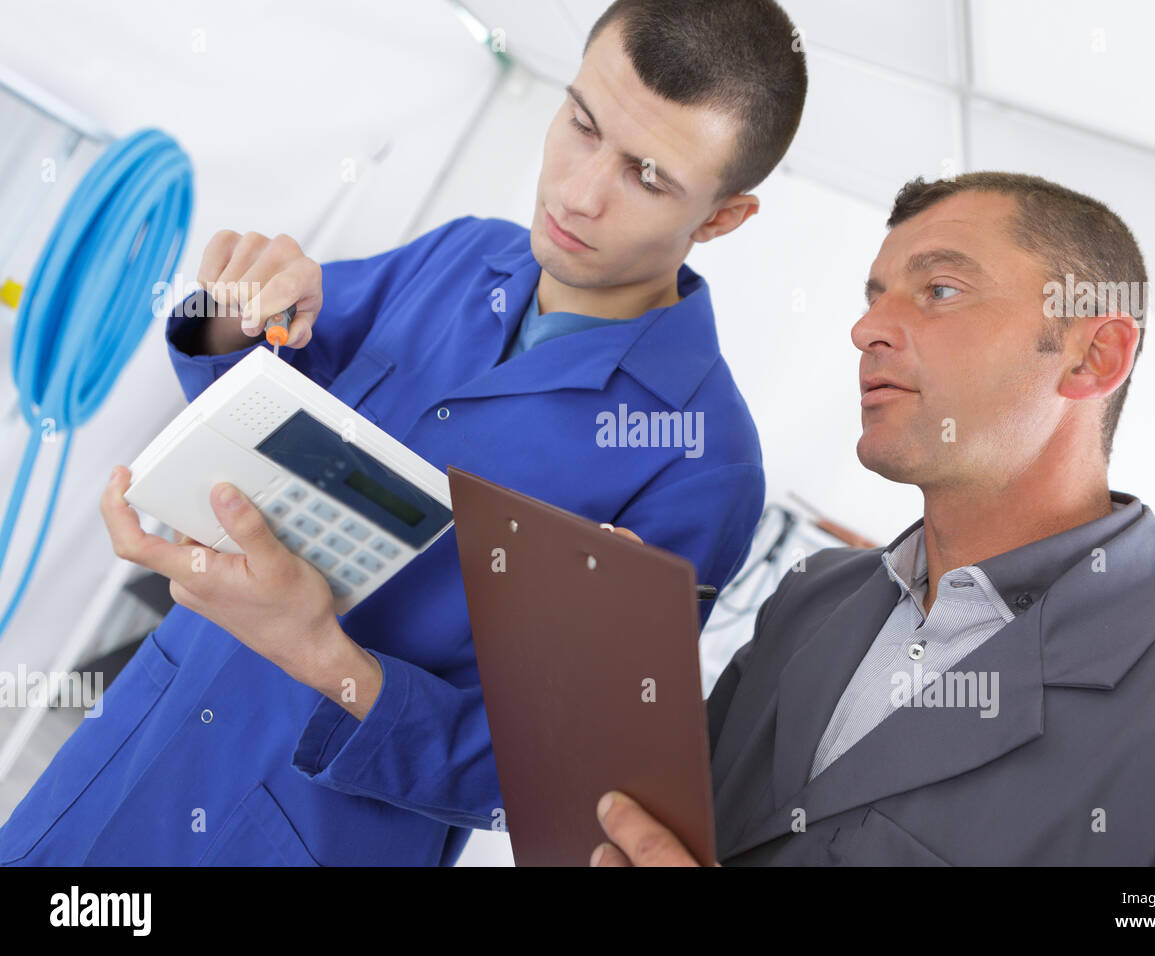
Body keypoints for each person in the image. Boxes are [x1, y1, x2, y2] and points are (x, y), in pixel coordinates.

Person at [0, 0, 807, 866]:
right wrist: (236, 316)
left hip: (313, 832)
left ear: (723, 218)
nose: (578, 193)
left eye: (648, 177)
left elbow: (553, 779)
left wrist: (322, 657)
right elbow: (258, 407)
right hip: (143, 739)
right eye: (580, 123)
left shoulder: (703, 463)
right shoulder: (463, 256)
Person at [589, 172, 1155, 866]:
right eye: (874, 298)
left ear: (1092, 356)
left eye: (941, 290)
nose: (866, 329)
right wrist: (610, 685)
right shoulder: (813, 596)